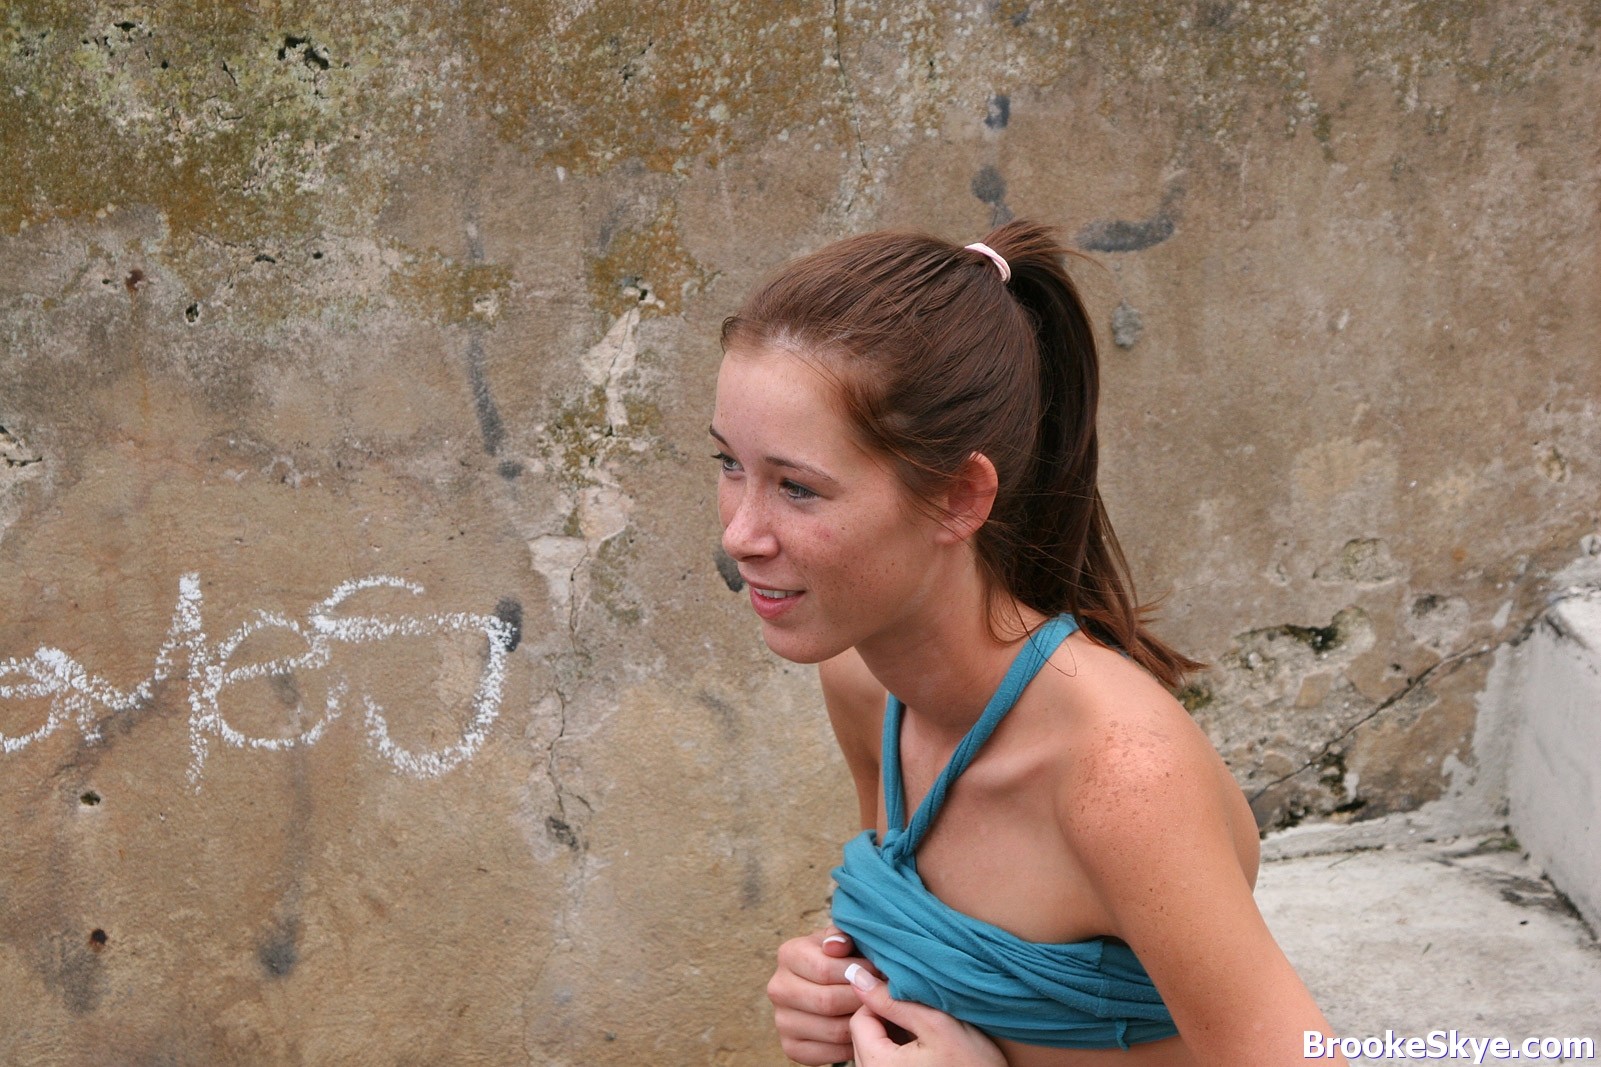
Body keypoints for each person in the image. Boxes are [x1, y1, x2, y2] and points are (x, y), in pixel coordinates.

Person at [711, 221, 1344, 1066]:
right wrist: (836, 988)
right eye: (727, 465)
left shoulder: (1121, 780)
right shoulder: (865, 682)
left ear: (958, 498)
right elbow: (920, 946)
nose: (740, 534)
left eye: (797, 487)